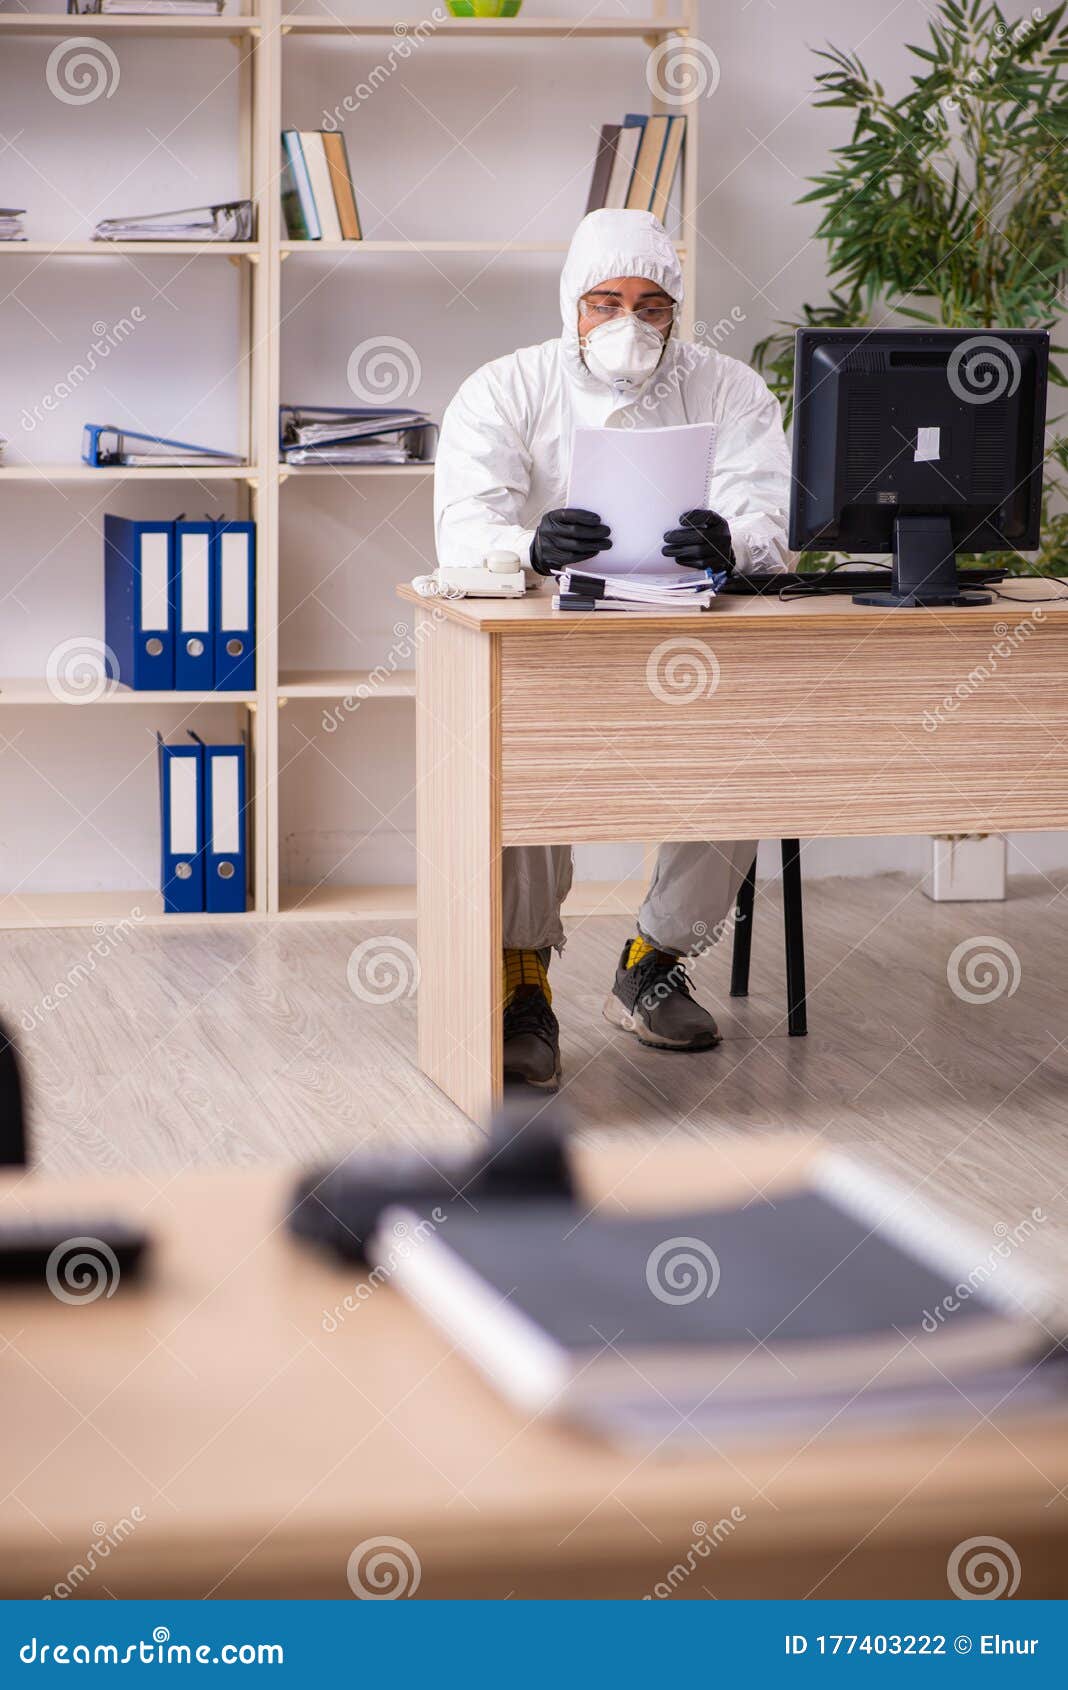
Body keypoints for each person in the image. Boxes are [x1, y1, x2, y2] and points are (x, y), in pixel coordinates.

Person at [434, 208, 791, 1090]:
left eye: (651, 305)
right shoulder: (505, 388)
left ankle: (655, 959)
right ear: (572, 305)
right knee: (513, 765)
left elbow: (767, 522)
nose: (629, 325)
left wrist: (731, 541)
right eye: (605, 303)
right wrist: (528, 548)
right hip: (552, 646)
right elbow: (461, 527)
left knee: (740, 756)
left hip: (691, 638)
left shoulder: (731, 388)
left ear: (677, 309)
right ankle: (524, 982)